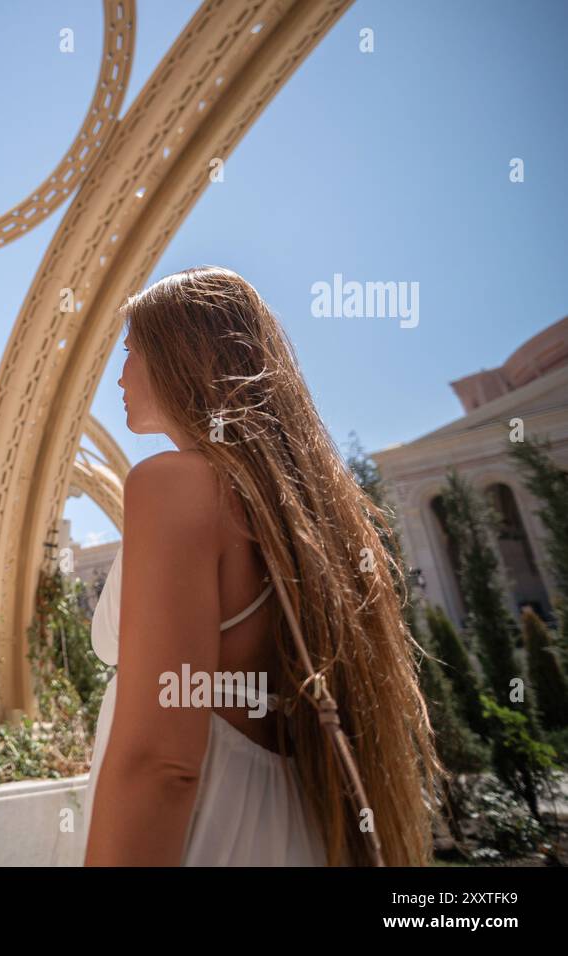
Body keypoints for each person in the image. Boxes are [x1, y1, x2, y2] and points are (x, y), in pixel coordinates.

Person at [82, 266, 439, 866]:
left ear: (181, 358)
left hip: (206, 834)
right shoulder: (301, 510)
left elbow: (161, 763)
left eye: (131, 351)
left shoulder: (173, 485)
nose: (119, 376)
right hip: (290, 822)